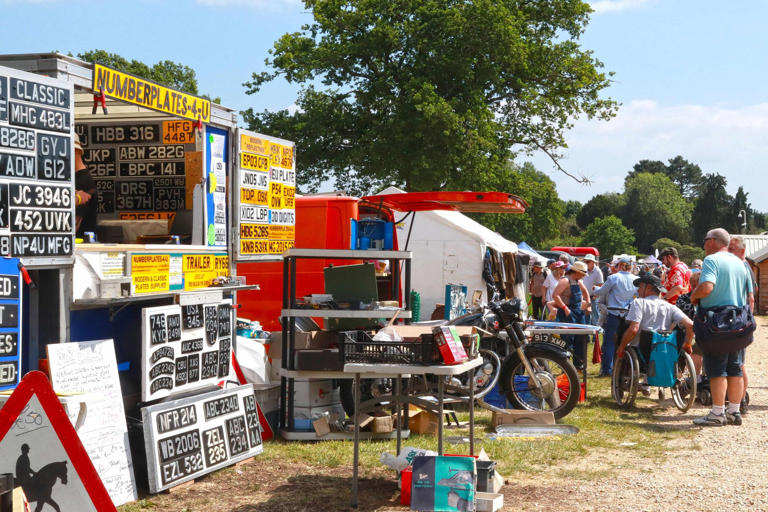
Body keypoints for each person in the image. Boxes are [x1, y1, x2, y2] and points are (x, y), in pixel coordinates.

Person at [691, 228, 753, 426]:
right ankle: (734, 411)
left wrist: (694, 295)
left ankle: (717, 413)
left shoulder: (712, 260)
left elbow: (707, 287)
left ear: (713, 241)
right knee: (735, 368)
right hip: (739, 322)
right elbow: (749, 295)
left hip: (717, 322)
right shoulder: (741, 263)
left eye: (705, 240)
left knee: (717, 369)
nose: (703, 244)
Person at [616, 274, 694, 395]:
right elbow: (690, 325)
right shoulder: (669, 306)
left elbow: (634, 329)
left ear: (648, 287)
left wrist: (621, 347)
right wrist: (688, 343)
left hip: (642, 352)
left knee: (620, 338)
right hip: (666, 350)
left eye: (640, 287)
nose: (638, 290)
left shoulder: (639, 303)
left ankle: (621, 383)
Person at [593, 258, 637, 376]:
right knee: (625, 341)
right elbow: (637, 295)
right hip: (628, 314)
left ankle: (607, 369)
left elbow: (601, 291)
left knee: (609, 342)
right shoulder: (636, 279)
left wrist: (595, 289)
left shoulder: (613, 278)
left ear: (621, 265)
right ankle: (623, 369)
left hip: (614, 313)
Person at [728, 235, 756, 413]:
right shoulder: (743, 267)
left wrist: (746, 321)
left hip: (740, 321)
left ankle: (741, 400)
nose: (728, 253)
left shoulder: (743, 267)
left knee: (739, 363)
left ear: (742, 251)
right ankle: (739, 400)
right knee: (738, 362)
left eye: (732, 249)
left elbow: (751, 298)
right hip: (740, 320)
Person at [552, 261, 591, 369]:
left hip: (578, 313)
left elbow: (585, 292)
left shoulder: (578, 281)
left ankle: (579, 364)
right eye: (582, 274)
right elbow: (555, 295)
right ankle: (565, 365)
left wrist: (588, 304)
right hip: (567, 313)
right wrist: (565, 308)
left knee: (581, 338)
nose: (583, 276)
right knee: (567, 339)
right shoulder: (565, 281)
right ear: (577, 272)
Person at [74, 133, 97, 238]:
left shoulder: (83, 181)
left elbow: (74, 225)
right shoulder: (78, 178)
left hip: (80, 243)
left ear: (76, 151)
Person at [581, 254, 604, 325]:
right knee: (585, 314)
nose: (585, 263)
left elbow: (600, 285)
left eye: (587, 262)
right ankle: (586, 328)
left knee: (595, 314)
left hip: (593, 297)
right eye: (585, 261)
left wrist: (595, 296)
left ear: (593, 262)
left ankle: (596, 329)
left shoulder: (598, 271)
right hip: (584, 296)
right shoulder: (584, 270)